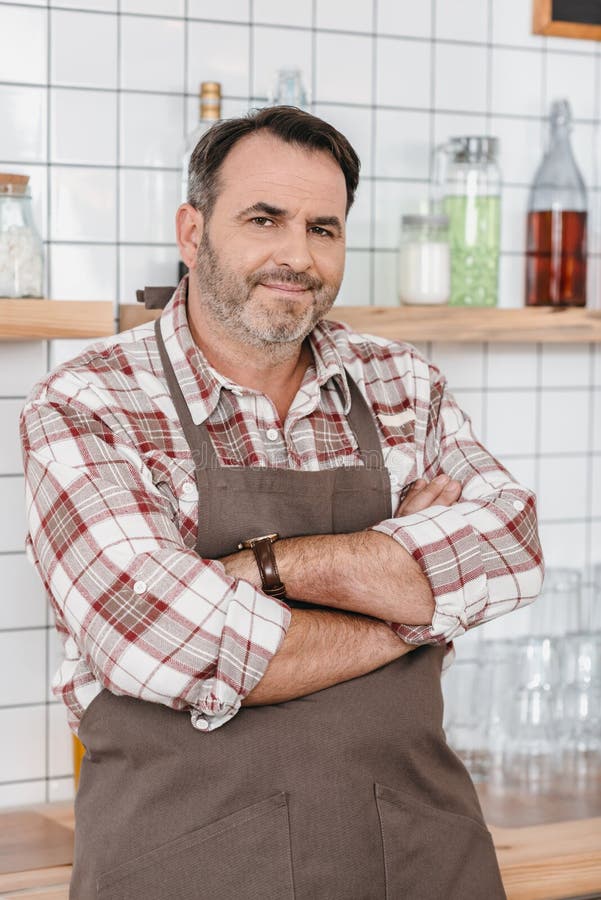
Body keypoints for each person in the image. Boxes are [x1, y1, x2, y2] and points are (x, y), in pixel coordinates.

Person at [21, 106, 543, 899]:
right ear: (192, 232)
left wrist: (262, 570)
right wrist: (416, 605)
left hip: (419, 861)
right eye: (264, 219)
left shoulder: (402, 384)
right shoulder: (90, 402)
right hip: (185, 869)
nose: (297, 256)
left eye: (322, 229)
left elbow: (511, 549)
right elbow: (164, 637)